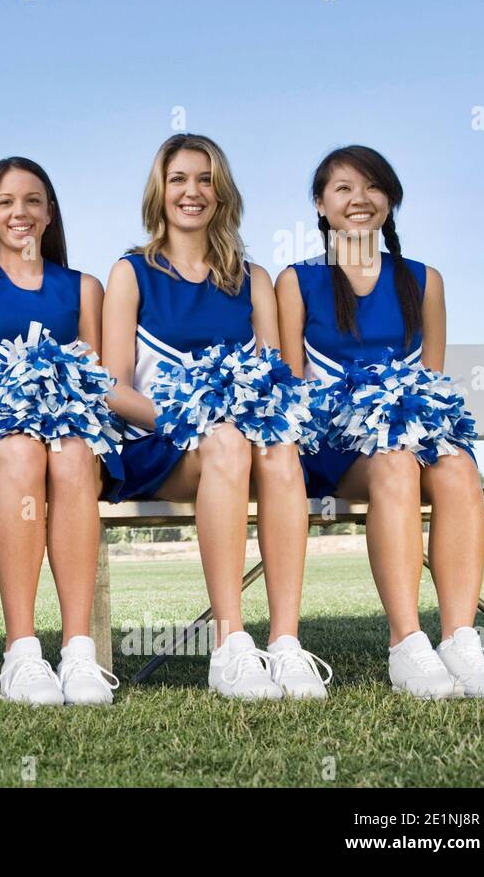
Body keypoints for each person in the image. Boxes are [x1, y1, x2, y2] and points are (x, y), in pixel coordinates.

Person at [275, 144, 484, 699]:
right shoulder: (297, 280)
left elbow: (430, 380)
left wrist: (415, 423)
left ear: (390, 198)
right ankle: (406, 644)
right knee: (395, 464)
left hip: (410, 436)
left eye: (373, 186)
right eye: (343, 188)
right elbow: (289, 384)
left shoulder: (424, 280)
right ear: (320, 203)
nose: (360, 199)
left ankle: (459, 640)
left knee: (457, 468)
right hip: (335, 446)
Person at [104, 134, 327, 701]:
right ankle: (229, 646)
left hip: (237, 446)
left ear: (221, 193)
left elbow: (277, 378)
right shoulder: (132, 272)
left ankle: (284, 644)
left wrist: (251, 418)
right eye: (179, 179)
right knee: (226, 442)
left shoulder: (252, 279)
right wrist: (190, 418)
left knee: (279, 448)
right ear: (161, 191)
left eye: (205, 180)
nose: (192, 191)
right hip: (160, 447)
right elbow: (113, 388)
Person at [0, 156, 123, 706]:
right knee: (22, 454)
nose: (20, 212)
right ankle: (20, 652)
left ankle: (78, 651)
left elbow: (98, 377)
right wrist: (8, 424)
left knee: (68, 456)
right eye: (6, 202)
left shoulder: (84, 286)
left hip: (69, 432)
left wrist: (63, 423)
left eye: (32, 202)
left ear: (49, 215)